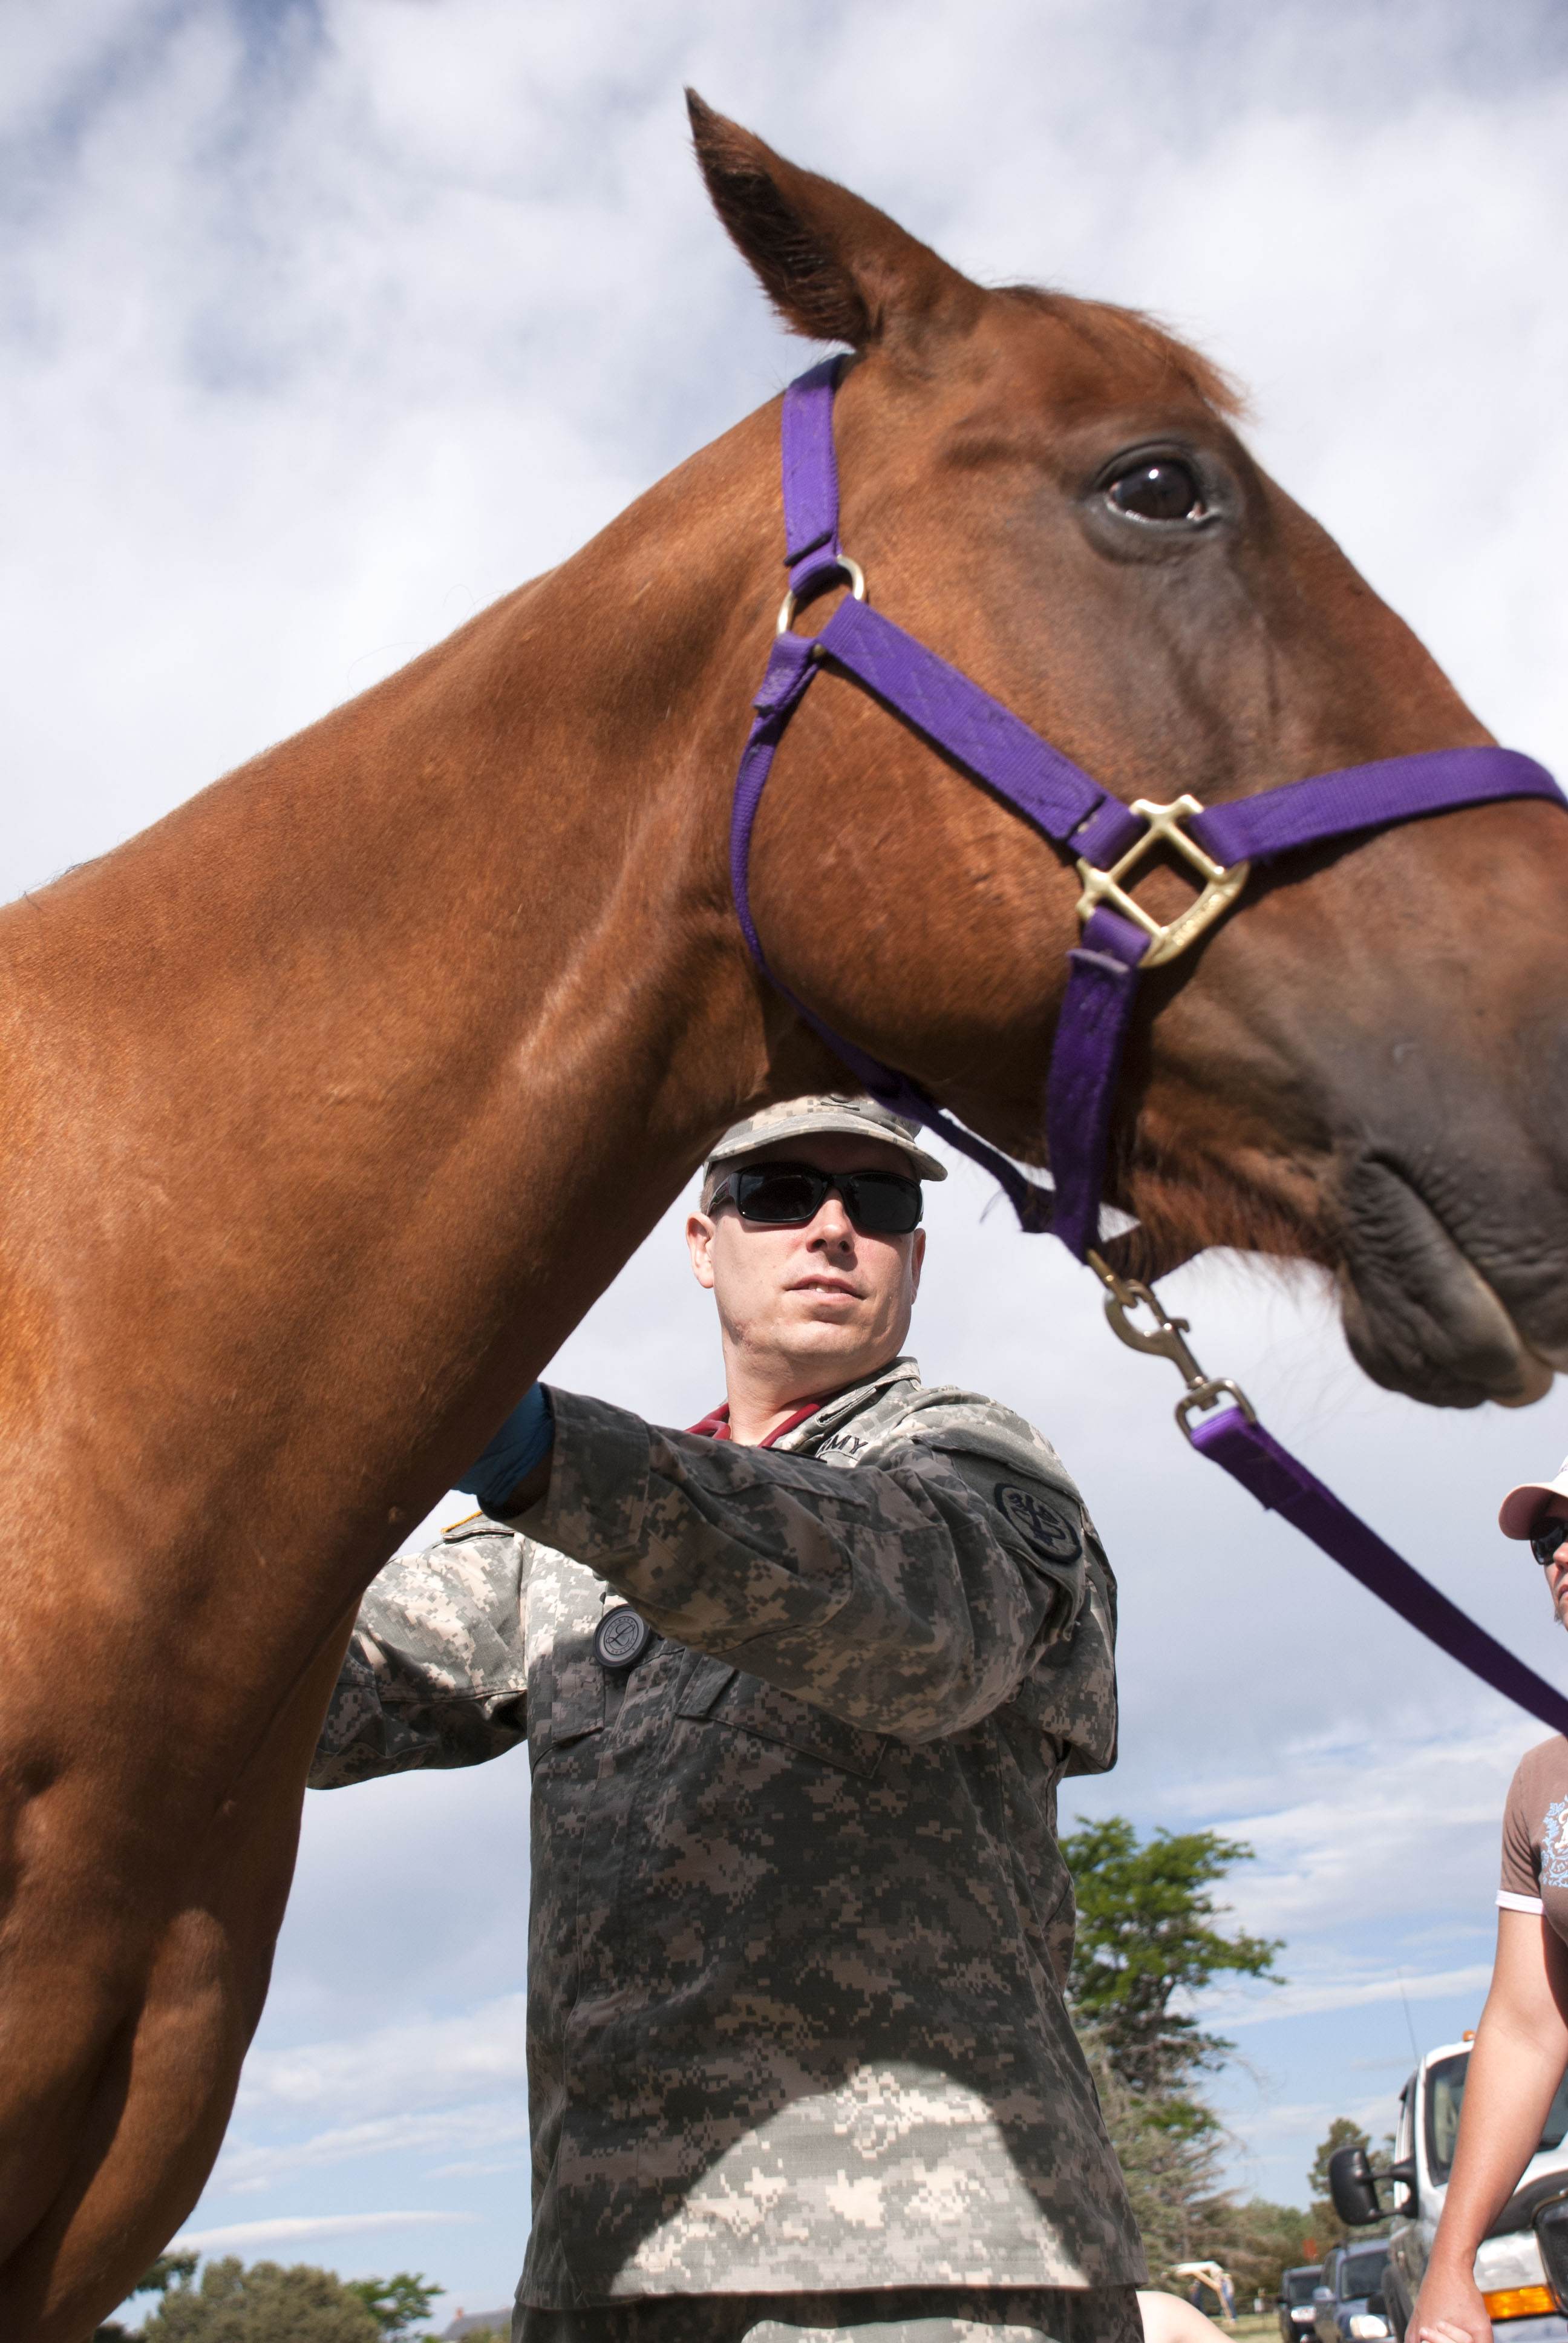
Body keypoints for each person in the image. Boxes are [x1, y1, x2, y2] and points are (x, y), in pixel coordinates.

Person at [310, 1093, 1145, 2343]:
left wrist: (546, 1450)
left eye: (879, 1204)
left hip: (932, 2273)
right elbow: (311, 1701)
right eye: (780, 1192)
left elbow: (916, 1627)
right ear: (704, 1243)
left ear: (914, 1258)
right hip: (615, 2269)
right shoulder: (556, 1539)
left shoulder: (969, 1464)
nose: (831, 1228)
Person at [1409, 1455, 1568, 2343]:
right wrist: (1453, 2263)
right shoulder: (1543, 1781)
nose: (1561, 1555)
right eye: (1549, 1540)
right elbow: (1525, 2023)